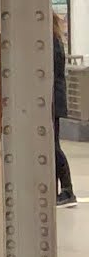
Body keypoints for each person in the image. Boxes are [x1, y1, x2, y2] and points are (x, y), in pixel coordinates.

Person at [53, 14, 77, 208]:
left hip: (52, 100)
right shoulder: (55, 40)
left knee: (53, 146)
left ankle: (68, 190)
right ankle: (57, 189)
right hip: (54, 99)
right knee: (51, 145)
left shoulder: (50, 42)